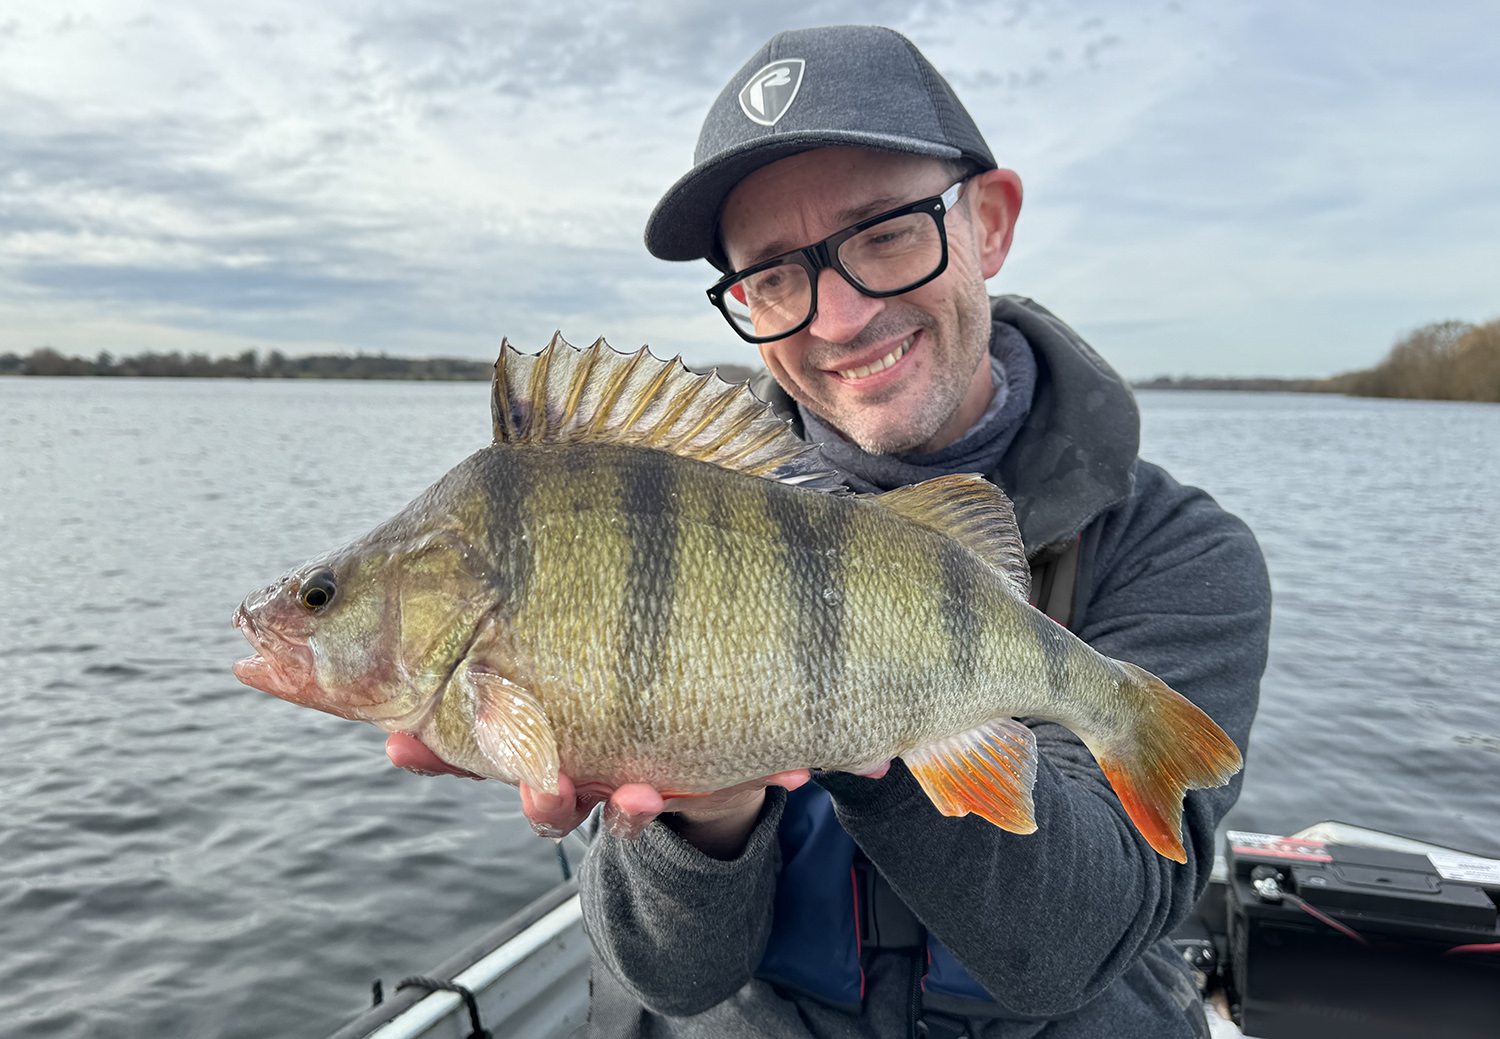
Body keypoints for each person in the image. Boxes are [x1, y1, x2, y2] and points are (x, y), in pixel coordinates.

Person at [389, 24, 1271, 1039]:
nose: (841, 317)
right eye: (772, 274)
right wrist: (699, 814)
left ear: (988, 221)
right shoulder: (668, 516)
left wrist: (856, 699)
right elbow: (672, 981)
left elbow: (1074, 944)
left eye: (887, 230)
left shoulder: (1180, 553)